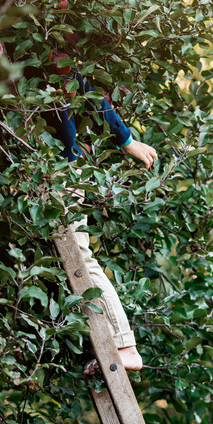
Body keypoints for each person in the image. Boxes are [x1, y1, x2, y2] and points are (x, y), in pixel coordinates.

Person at [52, 72, 158, 373]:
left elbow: (88, 91)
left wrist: (126, 139)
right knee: (68, 261)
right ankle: (112, 342)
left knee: (79, 258)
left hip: (58, 171)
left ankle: (125, 346)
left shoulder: (49, 55)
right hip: (48, 170)